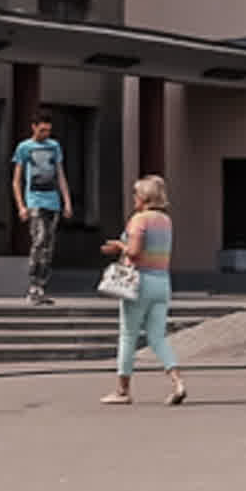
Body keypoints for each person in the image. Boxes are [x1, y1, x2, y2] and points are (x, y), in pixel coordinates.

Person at [101, 174, 184, 405]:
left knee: (128, 335)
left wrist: (119, 246)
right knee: (158, 337)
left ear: (145, 197)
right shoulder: (166, 221)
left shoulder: (139, 219)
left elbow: (135, 252)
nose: (134, 198)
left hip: (140, 282)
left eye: (136, 194)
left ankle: (122, 390)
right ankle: (177, 381)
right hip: (162, 282)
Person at [10, 113, 71, 305]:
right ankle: (32, 285)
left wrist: (67, 201)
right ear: (33, 127)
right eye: (42, 130)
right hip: (34, 201)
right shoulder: (25, 148)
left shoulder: (54, 147)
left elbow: (60, 175)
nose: (45, 134)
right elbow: (16, 180)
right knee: (39, 239)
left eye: (48, 130)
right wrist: (21, 205)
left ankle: (41, 286)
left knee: (49, 247)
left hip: (53, 202)